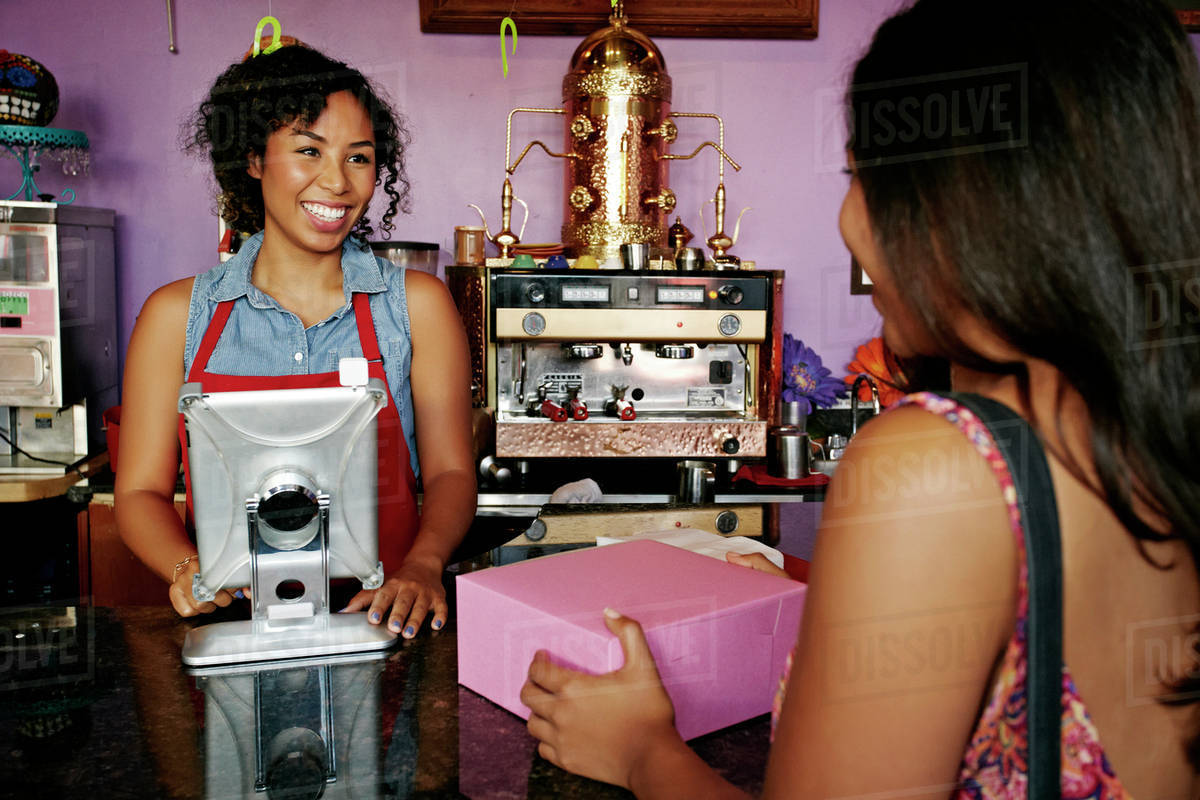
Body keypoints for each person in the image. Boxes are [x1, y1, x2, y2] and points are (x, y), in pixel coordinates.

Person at [520, 0, 1200, 796]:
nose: (851, 220)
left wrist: (643, 751)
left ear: (967, 204)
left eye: (863, 176)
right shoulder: (1157, 435)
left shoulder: (936, 465)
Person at [115, 42, 476, 638]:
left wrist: (423, 564)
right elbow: (138, 492)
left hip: (384, 621)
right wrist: (187, 569)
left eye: (358, 158)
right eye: (309, 150)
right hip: (234, 628)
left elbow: (450, 475)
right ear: (253, 159)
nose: (336, 182)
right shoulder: (177, 316)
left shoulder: (417, 306)